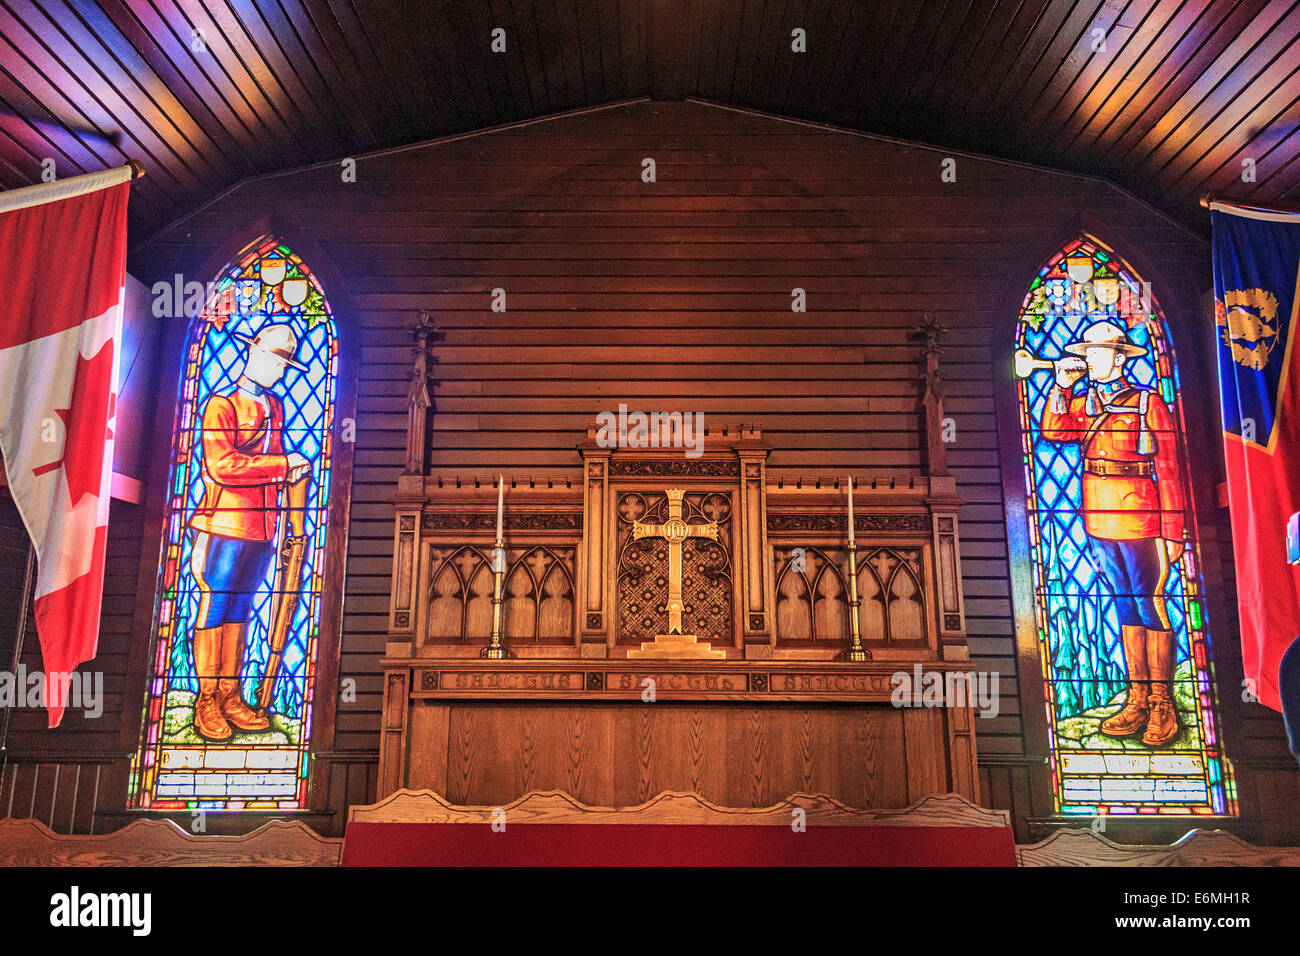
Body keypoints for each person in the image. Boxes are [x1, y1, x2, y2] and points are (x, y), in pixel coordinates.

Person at [1039, 320, 1188, 747]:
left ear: (1120, 358)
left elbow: (1171, 467)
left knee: (1150, 601)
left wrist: (1173, 531)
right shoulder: (1085, 402)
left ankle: (1163, 702)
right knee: (1123, 604)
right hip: (1100, 517)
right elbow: (1054, 431)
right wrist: (1061, 388)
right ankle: (1137, 697)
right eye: (1086, 354)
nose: (1089, 360)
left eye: (1098, 353)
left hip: (1143, 518)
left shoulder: (1147, 403)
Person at [188, 323, 310, 741]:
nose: (280, 369)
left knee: (241, 607)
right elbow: (223, 465)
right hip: (222, 523)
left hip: (261, 529)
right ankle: (205, 699)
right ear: (254, 351)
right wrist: (282, 466)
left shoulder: (275, 408)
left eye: (286, 363)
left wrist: (290, 468)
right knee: (214, 606)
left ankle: (229, 693)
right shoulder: (221, 405)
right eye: (276, 359)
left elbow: (276, 463)